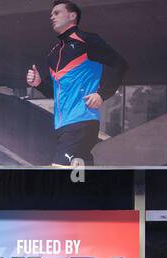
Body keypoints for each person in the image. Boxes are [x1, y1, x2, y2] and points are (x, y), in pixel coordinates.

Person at [25, 1, 128, 166]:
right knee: (79, 174)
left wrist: (102, 94)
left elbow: (120, 64)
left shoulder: (86, 40)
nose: (52, 17)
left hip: (82, 121)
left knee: (59, 172)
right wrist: (38, 83)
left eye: (57, 13)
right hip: (62, 125)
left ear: (72, 16)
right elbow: (56, 92)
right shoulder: (53, 53)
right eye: (51, 14)